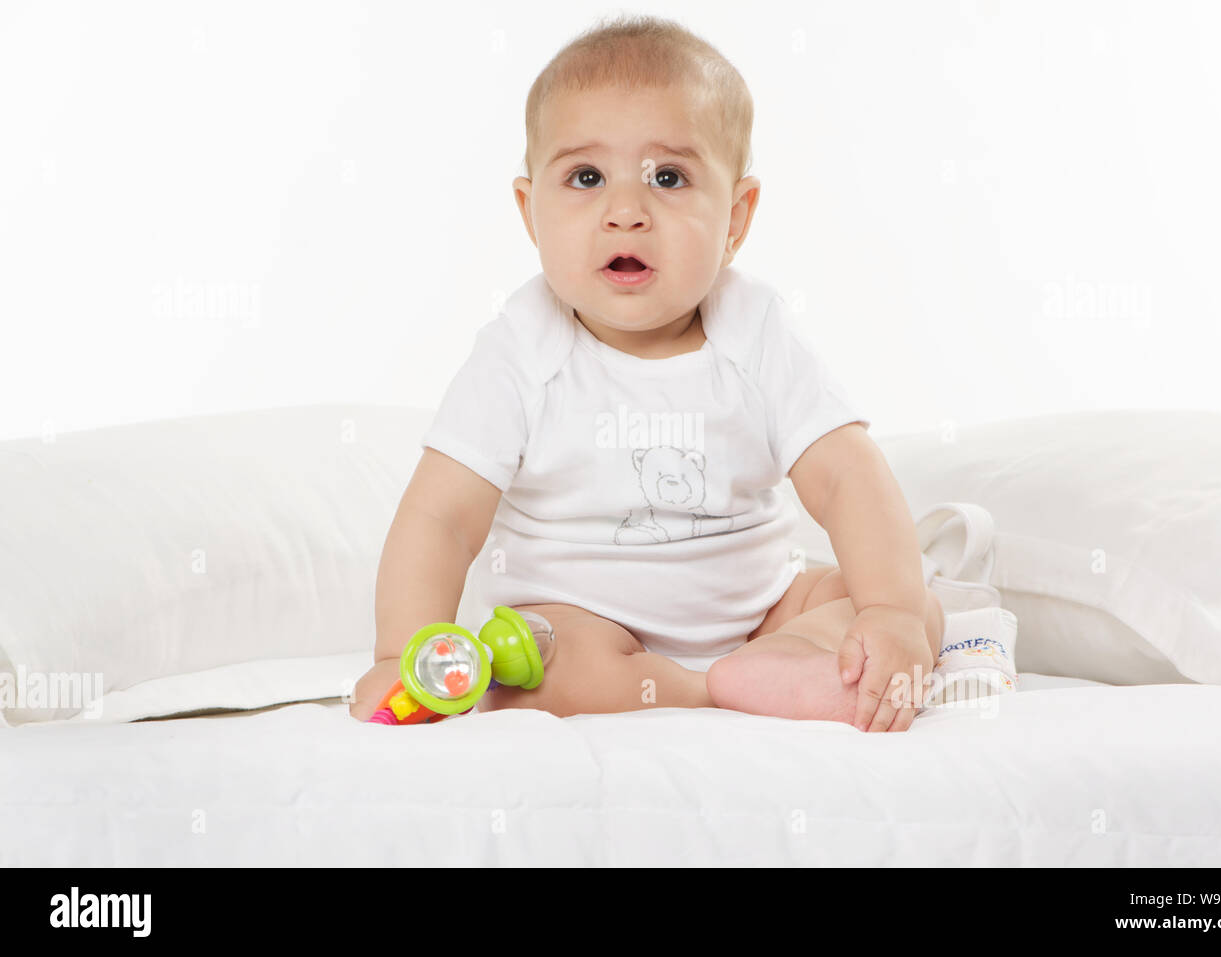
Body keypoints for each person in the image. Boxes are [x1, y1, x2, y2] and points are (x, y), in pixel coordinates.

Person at [351, 14, 1008, 733]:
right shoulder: (519, 350)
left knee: (903, 602)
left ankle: (789, 656)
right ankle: (714, 690)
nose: (626, 212)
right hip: (588, 624)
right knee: (536, 665)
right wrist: (398, 653)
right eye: (586, 177)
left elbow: (849, 474)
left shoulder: (755, 331)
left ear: (736, 216)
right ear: (529, 211)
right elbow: (440, 518)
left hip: (763, 611)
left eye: (668, 177)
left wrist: (888, 610)